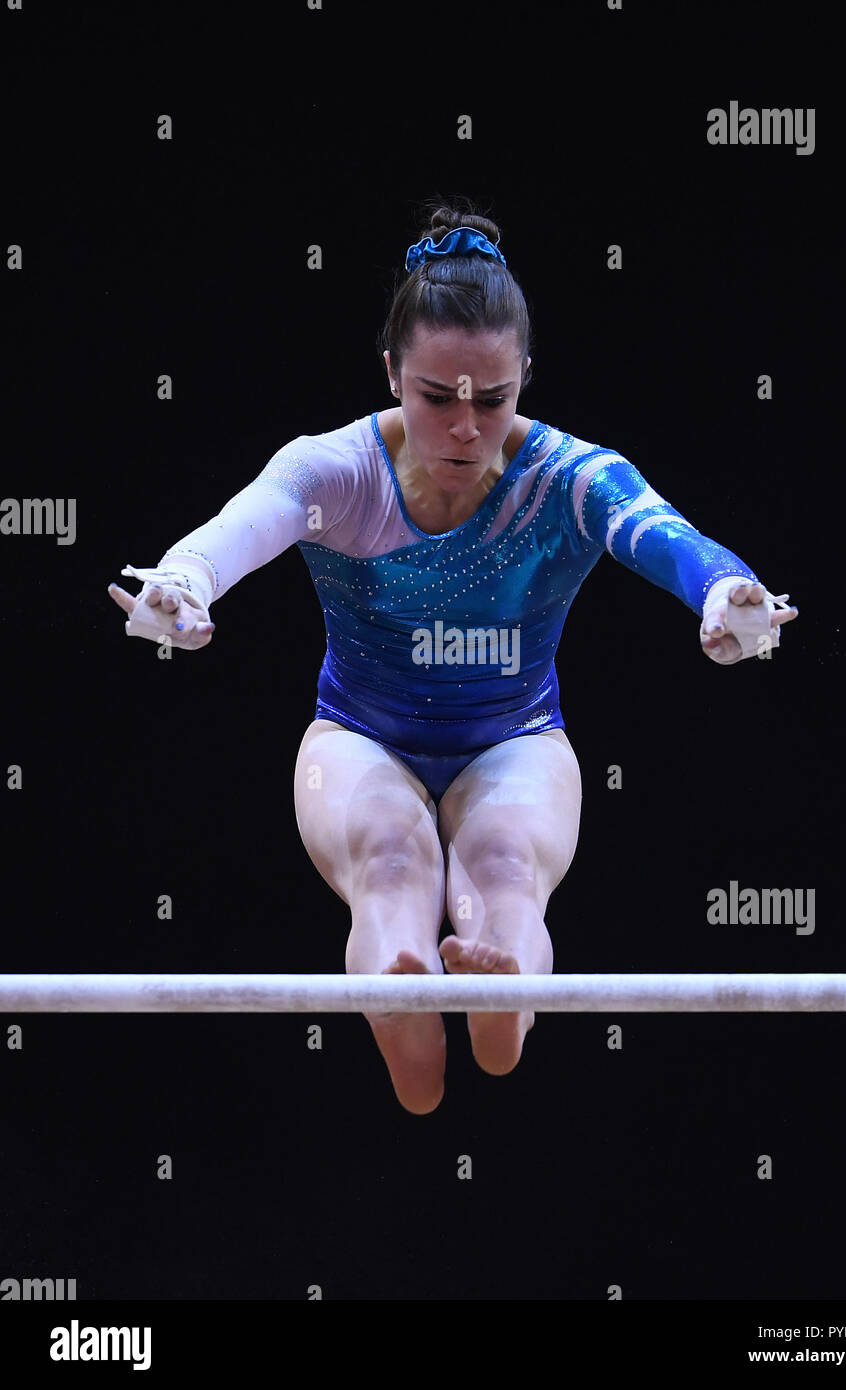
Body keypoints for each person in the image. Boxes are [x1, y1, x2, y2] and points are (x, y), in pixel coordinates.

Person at [108, 198, 799, 1115]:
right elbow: (243, 526)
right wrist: (185, 581)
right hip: (360, 732)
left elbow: (665, 537)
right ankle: (401, 991)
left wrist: (724, 593)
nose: (467, 427)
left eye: (494, 397)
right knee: (391, 869)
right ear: (391, 372)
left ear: (524, 376)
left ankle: (501, 995)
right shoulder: (334, 472)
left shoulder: (570, 478)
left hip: (515, 735)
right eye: (436, 396)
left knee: (508, 866)